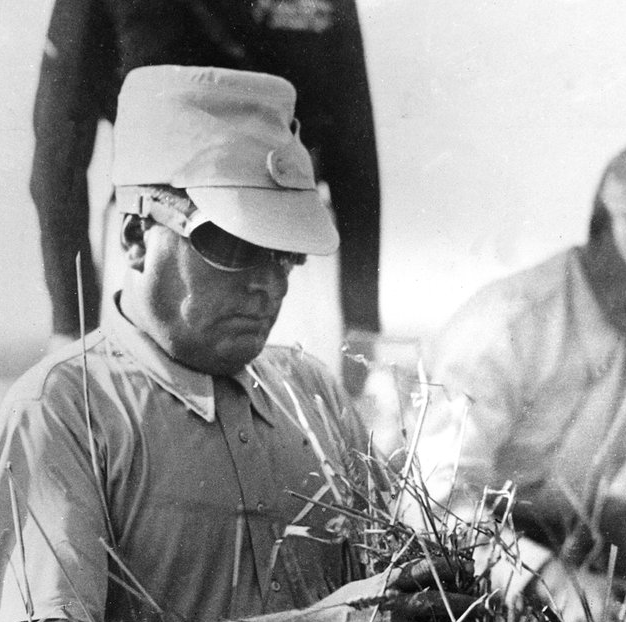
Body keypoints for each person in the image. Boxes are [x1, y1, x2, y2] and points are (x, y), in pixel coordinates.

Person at [0, 65, 455, 622]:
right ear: (133, 235)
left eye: (286, 252)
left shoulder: (308, 394)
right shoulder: (63, 410)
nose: (267, 284)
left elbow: (383, 611)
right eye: (230, 247)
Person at [413, 141, 626, 622]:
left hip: (572, 544)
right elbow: (435, 500)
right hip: (464, 560)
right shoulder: (507, 324)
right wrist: (552, 586)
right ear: (600, 228)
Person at [29, 0, 381, 393]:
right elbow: (59, 157)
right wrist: (70, 319)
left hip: (290, 253)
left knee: (299, 429)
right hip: (159, 243)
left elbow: (356, 151)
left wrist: (361, 321)